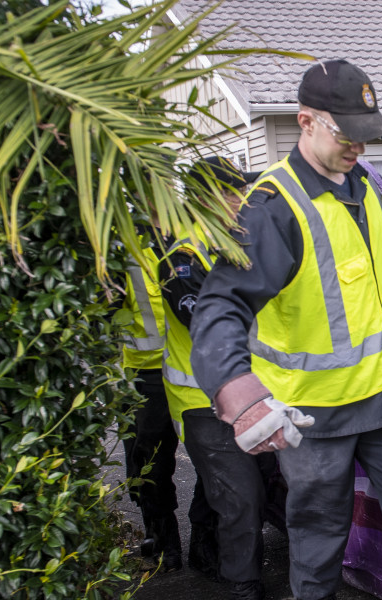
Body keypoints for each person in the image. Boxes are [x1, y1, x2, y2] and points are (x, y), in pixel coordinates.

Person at [187, 60, 382, 600]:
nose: (358, 146)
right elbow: (220, 305)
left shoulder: (364, 184)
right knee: (319, 541)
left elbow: (350, 264)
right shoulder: (273, 208)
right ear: (305, 121)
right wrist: (241, 396)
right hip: (316, 415)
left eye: (365, 134)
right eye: (346, 134)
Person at [159, 157, 270, 599]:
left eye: (240, 189)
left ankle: (206, 547)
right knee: (241, 493)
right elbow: (210, 323)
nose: (240, 199)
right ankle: (245, 582)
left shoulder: (242, 243)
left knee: (231, 481)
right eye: (230, 191)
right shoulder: (181, 257)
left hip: (252, 389)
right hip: (201, 398)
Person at [116, 226, 213, 574]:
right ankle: (163, 541)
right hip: (147, 375)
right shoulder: (123, 244)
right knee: (150, 465)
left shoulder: (196, 236)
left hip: (192, 371)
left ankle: (204, 541)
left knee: (215, 461)